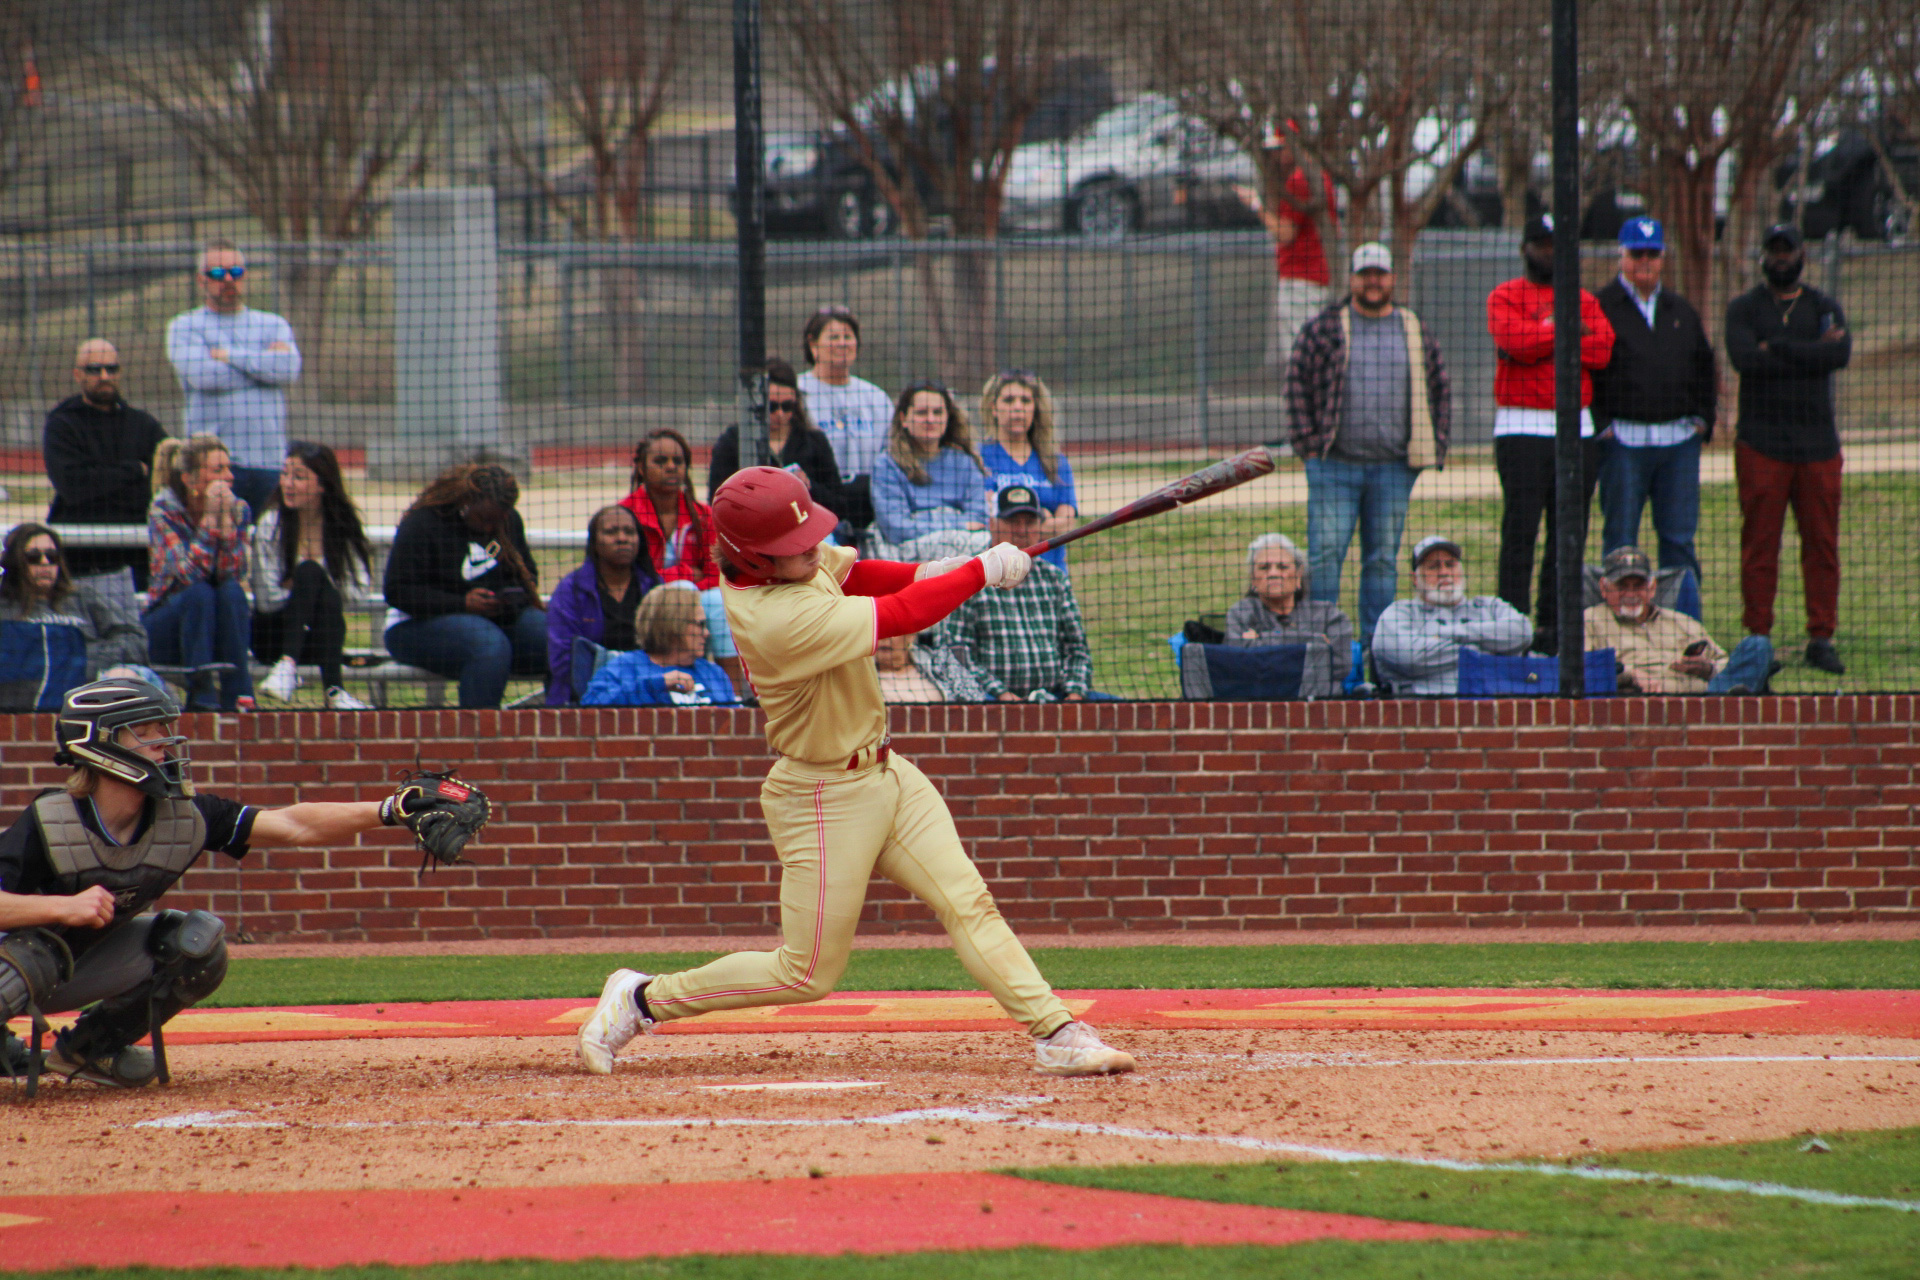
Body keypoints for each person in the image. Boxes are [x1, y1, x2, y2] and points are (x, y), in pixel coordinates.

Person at [575, 466, 1134, 1079]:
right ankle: (640, 998)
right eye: (794, 547)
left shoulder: (796, 559)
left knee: (968, 901)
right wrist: (980, 572)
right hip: (823, 794)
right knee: (807, 973)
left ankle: (1056, 1030)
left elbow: (866, 575)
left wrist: (960, 564)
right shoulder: (772, 617)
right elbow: (899, 616)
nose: (812, 549)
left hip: (888, 773)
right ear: (753, 560)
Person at [0, 678, 450, 1089]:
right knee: (32, 953)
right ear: (101, 744)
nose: (164, 744)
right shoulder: (52, 822)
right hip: (17, 965)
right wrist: (61, 909)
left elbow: (293, 824)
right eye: (146, 731)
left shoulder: (185, 816)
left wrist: (392, 809)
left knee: (194, 944)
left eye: (163, 729)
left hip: (68, 969)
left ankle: (88, 1051)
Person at [1285, 242, 1451, 642]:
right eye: (1365, 274)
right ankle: (1322, 650)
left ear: (1392, 278)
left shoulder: (1413, 327)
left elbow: (1439, 388)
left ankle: (1378, 655)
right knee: (1325, 559)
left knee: (1382, 563)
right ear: (1353, 279)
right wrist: (1308, 446)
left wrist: (1437, 442)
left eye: (1380, 274)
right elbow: (1296, 384)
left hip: (1394, 467)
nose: (1373, 282)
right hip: (1334, 466)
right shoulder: (1324, 326)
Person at [1724, 223, 1852, 676]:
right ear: (1763, 257)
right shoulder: (1743, 308)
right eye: (1773, 252)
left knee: (1821, 544)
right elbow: (1745, 361)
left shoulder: (1823, 306)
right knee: (1759, 543)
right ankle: (1758, 638)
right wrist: (1807, 351)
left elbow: (1838, 356)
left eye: (1788, 251)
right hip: (1761, 443)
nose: (1781, 259)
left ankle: (1821, 637)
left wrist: (1776, 348)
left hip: (1818, 445)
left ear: (1802, 255)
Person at [1488, 213, 1615, 651]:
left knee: (1568, 535)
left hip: (1576, 430)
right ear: (1525, 248)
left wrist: (1543, 335)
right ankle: (1511, 625)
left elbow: (1602, 351)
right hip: (1519, 427)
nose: (1548, 252)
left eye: (1556, 244)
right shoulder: (1505, 295)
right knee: (1520, 530)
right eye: (1540, 244)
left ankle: (1553, 627)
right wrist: (1564, 331)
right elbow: (1513, 342)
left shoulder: (1585, 299)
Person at [1592, 218, 1718, 585]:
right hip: (1622, 444)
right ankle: (1618, 633)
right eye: (1636, 253)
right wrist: (1602, 426)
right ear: (1622, 255)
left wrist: (1702, 419)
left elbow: (1704, 366)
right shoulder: (1600, 306)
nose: (1644, 261)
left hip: (1678, 444)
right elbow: (1581, 368)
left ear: (1663, 256)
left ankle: (1686, 630)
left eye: (1652, 253)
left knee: (1679, 541)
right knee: (1620, 542)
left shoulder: (1680, 310)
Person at [382, 463, 547, 710]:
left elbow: (527, 577)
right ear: (465, 502)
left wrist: (507, 600)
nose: (492, 526)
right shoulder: (424, 522)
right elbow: (398, 591)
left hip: (495, 621)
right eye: (485, 519)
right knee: (487, 644)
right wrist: (463, 603)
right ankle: (479, 739)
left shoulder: (508, 521)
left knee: (554, 637)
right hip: (413, 627)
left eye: (499, 518)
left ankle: (563, 728)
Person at [165, 241, 301, 516]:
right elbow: (204, 376)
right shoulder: (184, 327)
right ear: (201, 279)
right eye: (217, 273)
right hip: (212, 467)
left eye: (235, 272)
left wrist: (227, 355)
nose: (228, 280)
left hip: (270, 464)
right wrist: (263, 366)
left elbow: (287, 369)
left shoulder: (273, 324)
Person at [937, 484, 1095, 703]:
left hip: (1056, 698)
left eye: (1030, 522)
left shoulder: (1054, 579)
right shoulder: (969, 577)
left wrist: (1074, 695)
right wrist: (1001, 694)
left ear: (1040, 526)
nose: (1022, 530)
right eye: (1013, 522)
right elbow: (954, 654)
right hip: (989, 701)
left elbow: (1077, 649)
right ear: (992, 525)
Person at [249, 442, 374, 710]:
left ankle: (307, 677)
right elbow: (266, 600)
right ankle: (316, 681)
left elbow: (360, 589)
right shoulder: (271, 525)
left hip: (319, 637)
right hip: (271, 636)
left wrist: (313, 587)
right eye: (285, 474)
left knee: (314, 576)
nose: (288, 484)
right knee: (311, 573)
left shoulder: (341, 526)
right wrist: (307, 589)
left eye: (299, 477)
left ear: (323, 485)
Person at [42, 338, 170, 589]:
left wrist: (101, 480)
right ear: (77, 374)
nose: (104, 376)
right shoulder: (62, 424)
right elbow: (73, 486)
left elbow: (164, 480)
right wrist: (135, 470)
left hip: (137, 549)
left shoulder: (143, 424)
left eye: (111, 369)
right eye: (94, 369)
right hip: (82, 550)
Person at [619, 427, 740, 685]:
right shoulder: (624, 514)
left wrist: (682, 583)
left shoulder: (704, 515)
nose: (671, 467)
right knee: (684, 588)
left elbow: (716, 574)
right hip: (643, 600)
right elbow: (637, 577)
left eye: (679, 461)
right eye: (660, 461)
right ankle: (671, 682)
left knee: (720, 601)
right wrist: (685, 574)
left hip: (696, 600)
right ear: (641, 467)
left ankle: (732, 694)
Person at [142, 435, 253, 712]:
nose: (229, 477)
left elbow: (233, 572)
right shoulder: (163, 510)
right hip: (167, 627)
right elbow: (188, 574)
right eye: (218, 470)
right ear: (190, 480)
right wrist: (209, 522)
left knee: (231, 591)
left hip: (215, 627)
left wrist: (226, 525)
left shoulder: (239, 509)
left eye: (229, 468)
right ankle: (202, 697)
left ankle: (239, 696)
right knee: (199, 592)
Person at [1584, 546, 1775, 696]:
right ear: (1604, 587)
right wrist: (1630, 674)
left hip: (1705, 696)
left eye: (1638, 586)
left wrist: (1709, 669)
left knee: (1758, 645)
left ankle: (1724, 702)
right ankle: (1729, 708)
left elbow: (1727, 663)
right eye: (1622, 586)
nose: (1631, 594)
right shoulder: (1591, 620)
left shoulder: (1681, 622)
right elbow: (1583, 668)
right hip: (1646, 701)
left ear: (1652, 587)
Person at [0, 525, 152, 712]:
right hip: (21, 697)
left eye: (52, 556)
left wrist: (94, 662)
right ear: (16, 562)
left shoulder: (83, 598)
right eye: (34, 557)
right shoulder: (4, 606)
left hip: (89, 688)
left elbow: (131, 635)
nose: (45, 562)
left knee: (130, 676)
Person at [1373, 536, 1532, 697]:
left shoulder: (1489, 606)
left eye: (1450, 564)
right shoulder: (1399, 612)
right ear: (1415, 578)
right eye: (1434, 567)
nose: (1444, 572)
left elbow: (1523, 632)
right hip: (1424, 711)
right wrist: (1486, 653)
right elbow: (1410, 658)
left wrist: (1449, 632)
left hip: (1495, 706)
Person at [1237, 125, 1337, 370]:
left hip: (1301, 279)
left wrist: (1255, 205)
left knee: (1301, 355)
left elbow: (1285, 233)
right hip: (1315, 277)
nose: (1276, 155)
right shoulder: (1317, 175)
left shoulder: (1300, 179)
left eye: (1281, 148)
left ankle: (1305, 401)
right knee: (1317, 351)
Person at [544, 505, 663, 705]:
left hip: (646, 693)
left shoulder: (654, 587)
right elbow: (563, 661)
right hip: (586, 695)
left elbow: (667, 650)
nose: (622, 538)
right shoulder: (570, 591)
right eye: (611, 532)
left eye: (629, 532)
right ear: (595, 544)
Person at [707, 358, 849, 522]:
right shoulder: (732, 442)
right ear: (758, 402)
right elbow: (716, 501)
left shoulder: (814, 441)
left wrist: (808, 486)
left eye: (787, 406)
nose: (780, 414)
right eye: (772, 406)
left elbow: (840, 504)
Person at [868, 380, 992, 561]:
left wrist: (923, 522)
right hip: (909, 555)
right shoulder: (887, 465)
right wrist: (958, 523)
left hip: (963, 553)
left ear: (948, 417)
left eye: (937, 412)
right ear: (903, 419)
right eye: (921, 412)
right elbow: (896, 527)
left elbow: (979, 519)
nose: (930, 419)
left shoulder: (964, 463)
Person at [1222, 533, 1355, 700]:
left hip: (1318, 707)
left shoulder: (1329, 615)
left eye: (1282, 567)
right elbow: (1237, 665)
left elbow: (1340, 666)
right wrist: (1315, 644)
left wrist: (1260, 642)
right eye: (1264, 568)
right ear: (1253, 580)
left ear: (1299, 575)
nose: (1273, 573)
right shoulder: (1240, 613)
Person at [796, 304, 893, 532]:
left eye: (848, 337)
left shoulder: (876, 397)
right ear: (813, 344)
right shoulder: (798, 393)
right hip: (815, 506)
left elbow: (888, 456)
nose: (842, 343)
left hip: (867, 507)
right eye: (833, 337)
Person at [977, 369, 1078, 573]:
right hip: (999, 573)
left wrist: (1014, 526)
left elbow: (1066, 523)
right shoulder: (979, 458)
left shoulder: (1054, 461)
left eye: (1025, 400)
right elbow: (984, 520)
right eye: (1008, 400)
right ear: (993, 408)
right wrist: (1044, 517)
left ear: (1035, 409)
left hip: (1050, 571)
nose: (1017, 407)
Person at [580, 584, 739, 707]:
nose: (706, 633)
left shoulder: (712, 672)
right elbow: (590, 707)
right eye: (700, 624)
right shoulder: (625, 666)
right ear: (674, 624)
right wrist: (657, 685)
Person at [873, 630, 988, 703]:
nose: (883, 638)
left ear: (911, 635)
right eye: (877, 630)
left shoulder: (940, 661)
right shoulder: (858, 673)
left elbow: (978, 703)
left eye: (891, 631)